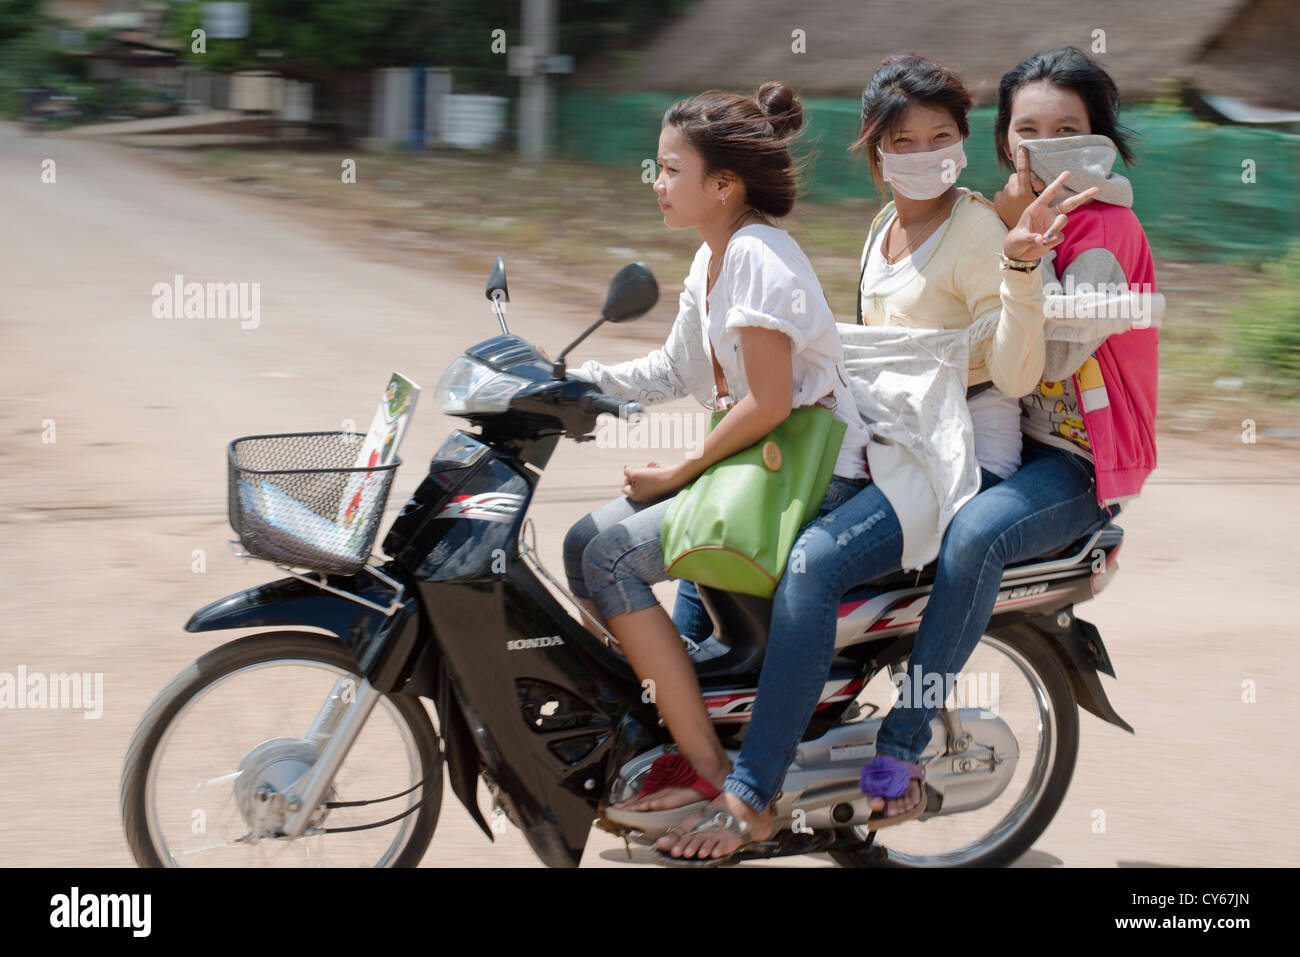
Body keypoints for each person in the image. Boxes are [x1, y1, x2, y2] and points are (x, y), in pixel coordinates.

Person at [657, 54, 1097, 862]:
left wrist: (1022, 267)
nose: (924, 151)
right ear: (876, 153)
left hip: (959, 456)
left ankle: (752, 792)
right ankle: (688, 734)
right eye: (904, 139)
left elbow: (1012, 371)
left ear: (962, 145)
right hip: (889, 442)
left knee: (814, 566)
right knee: (726, 521)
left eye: (940, 136)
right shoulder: (879, 233)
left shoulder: (978, 232)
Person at [858, 45, 1160, 826]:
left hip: (1075, 461)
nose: (1047, 142)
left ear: (1100, 138)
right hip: (1001, 439)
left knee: (973, 540)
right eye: (1029, 128)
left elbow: (1047, 355)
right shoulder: (996, 219)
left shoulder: (1107, 229)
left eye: (1070, 126)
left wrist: (1018, 250)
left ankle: (899, 751)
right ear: (1004, 144)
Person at [563, 80, 873, 825]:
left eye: (671, 170)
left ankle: (711, 773)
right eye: (658, 167)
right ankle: (674, 719)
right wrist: (567, 379)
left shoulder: (760, 257)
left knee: (608, 558)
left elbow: (768, 403)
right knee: (583, 542)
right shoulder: (714, 261)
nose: (658, 183)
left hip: (814, 474)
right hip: (758, 461)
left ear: (725, 184)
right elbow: (674, 372)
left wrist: (681, 468)